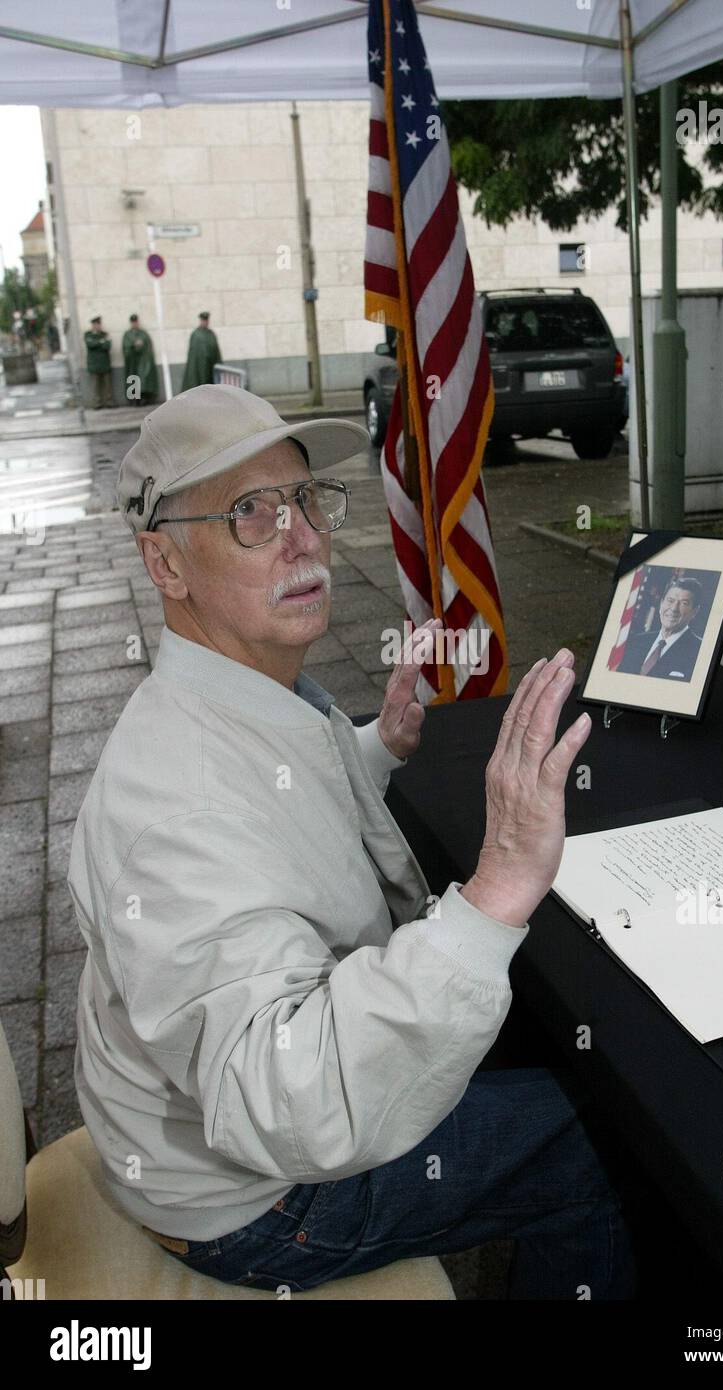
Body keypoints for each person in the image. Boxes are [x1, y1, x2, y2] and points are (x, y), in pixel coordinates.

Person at [67, 385, 634, 1300]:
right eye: (248, 513)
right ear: (164, 566)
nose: (299, 537)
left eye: (303, 500)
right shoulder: (175, 813)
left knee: (540, 1040)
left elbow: (269, 827)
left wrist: (372, 751)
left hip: (205, 1136)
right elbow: (289, 1105)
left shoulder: (232, 689)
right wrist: (495, 887)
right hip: (256, 1202)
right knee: (601, 1136)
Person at [617, 577, 704, 680]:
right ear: (661, 603)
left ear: (695, 611)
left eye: (684, 603)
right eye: (670, 600)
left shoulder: (700, 651)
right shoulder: (636, 641)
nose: (673, 608)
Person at [122, 314, 159, 405]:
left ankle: (145, 398)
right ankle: (134, 400)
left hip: (143, 362)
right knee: (133, 379)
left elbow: (148, 347)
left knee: (143, 379)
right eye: (133, 322)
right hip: (132, 363)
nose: (135, 324)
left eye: (136, 322)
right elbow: (125, 347)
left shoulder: (143, 334)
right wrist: (133, 345)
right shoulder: (128, 334)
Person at [181, 310, 222, 390]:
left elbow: (215, 350)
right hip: (199, 366)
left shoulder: (211, 333)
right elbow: (193, 354)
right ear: (201, 320)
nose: (205, 322)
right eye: (204, 320)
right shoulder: (196, 334)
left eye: (207, 320)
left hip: (210, 365)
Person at [84, 315, 113, 409]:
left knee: (108, 386)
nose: (97, 326)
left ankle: (109, 402)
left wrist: (99, 342)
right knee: (95, 386)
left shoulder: (105, 334)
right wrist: (101, 342)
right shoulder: (88, 334)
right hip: (94, 365)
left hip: (105, 364)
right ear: (92, 325)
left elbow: (107, 346)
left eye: (98, 324)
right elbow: (90, 345)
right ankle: (97, 403)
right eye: (95, 324)